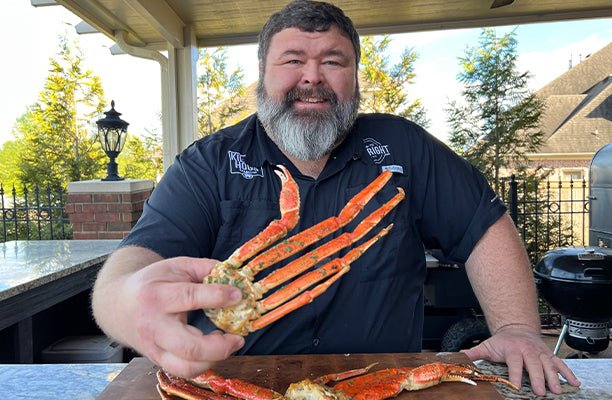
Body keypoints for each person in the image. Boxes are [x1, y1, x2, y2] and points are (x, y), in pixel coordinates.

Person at [91, 0, 580, 396]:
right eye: (293, 60)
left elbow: (483, 226)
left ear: (355, 76)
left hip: (385, 384)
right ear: (263, 73)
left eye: (332, 61)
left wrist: (516, 328)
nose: (312, 77)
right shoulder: (209, 163)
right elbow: (136, 261)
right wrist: (125, 303)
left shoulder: (404, 148)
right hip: (235, 385)